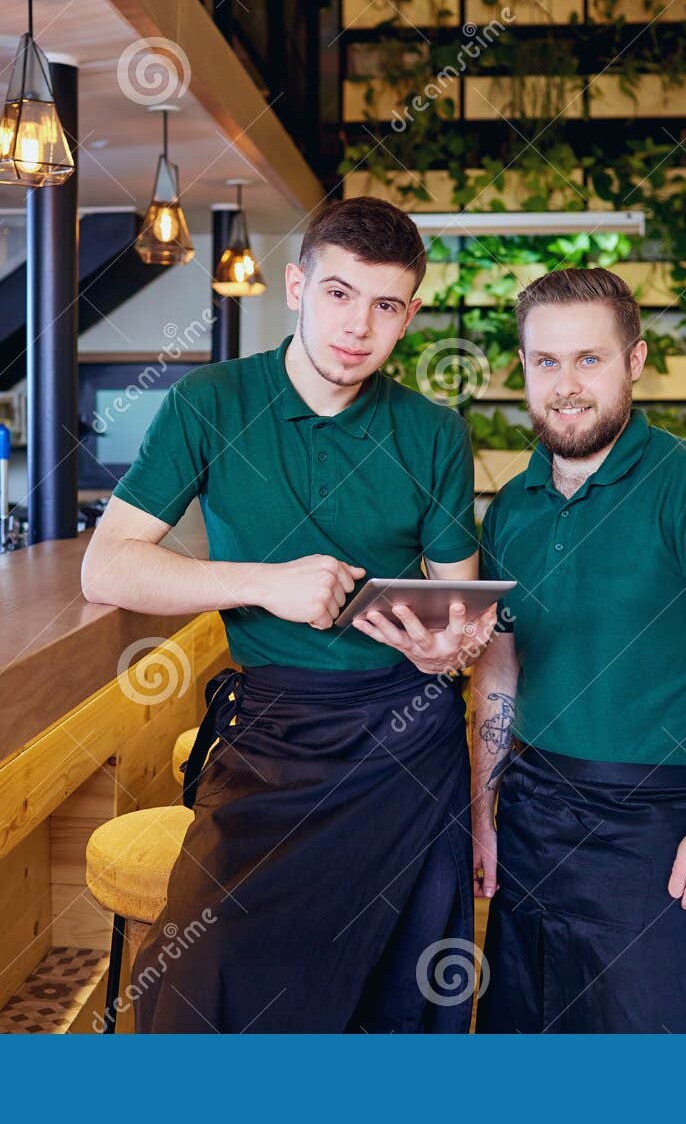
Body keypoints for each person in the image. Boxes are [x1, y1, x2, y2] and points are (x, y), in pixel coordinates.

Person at [81, 197, 497, 1032]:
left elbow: (460, 611)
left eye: (386, 306)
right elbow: (107, 566)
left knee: (399, 1005)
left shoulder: (434, 433)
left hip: (407, 742)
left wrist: (447, 649)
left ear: (410, 315)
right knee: (201, 983)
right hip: (270, 734)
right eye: (339, 294)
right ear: (299, 287)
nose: (358, 326)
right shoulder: (211, 402)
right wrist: (264, 584)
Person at [470, 266, 686, 1033]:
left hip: (655, 820)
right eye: (546, 361)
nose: (566, 385)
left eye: (590, 359)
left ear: (634, 361)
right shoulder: (510, 508)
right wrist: (483, 812)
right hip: (534, 808)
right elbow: (499, 669)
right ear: (523, 368)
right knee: (521, 1037)